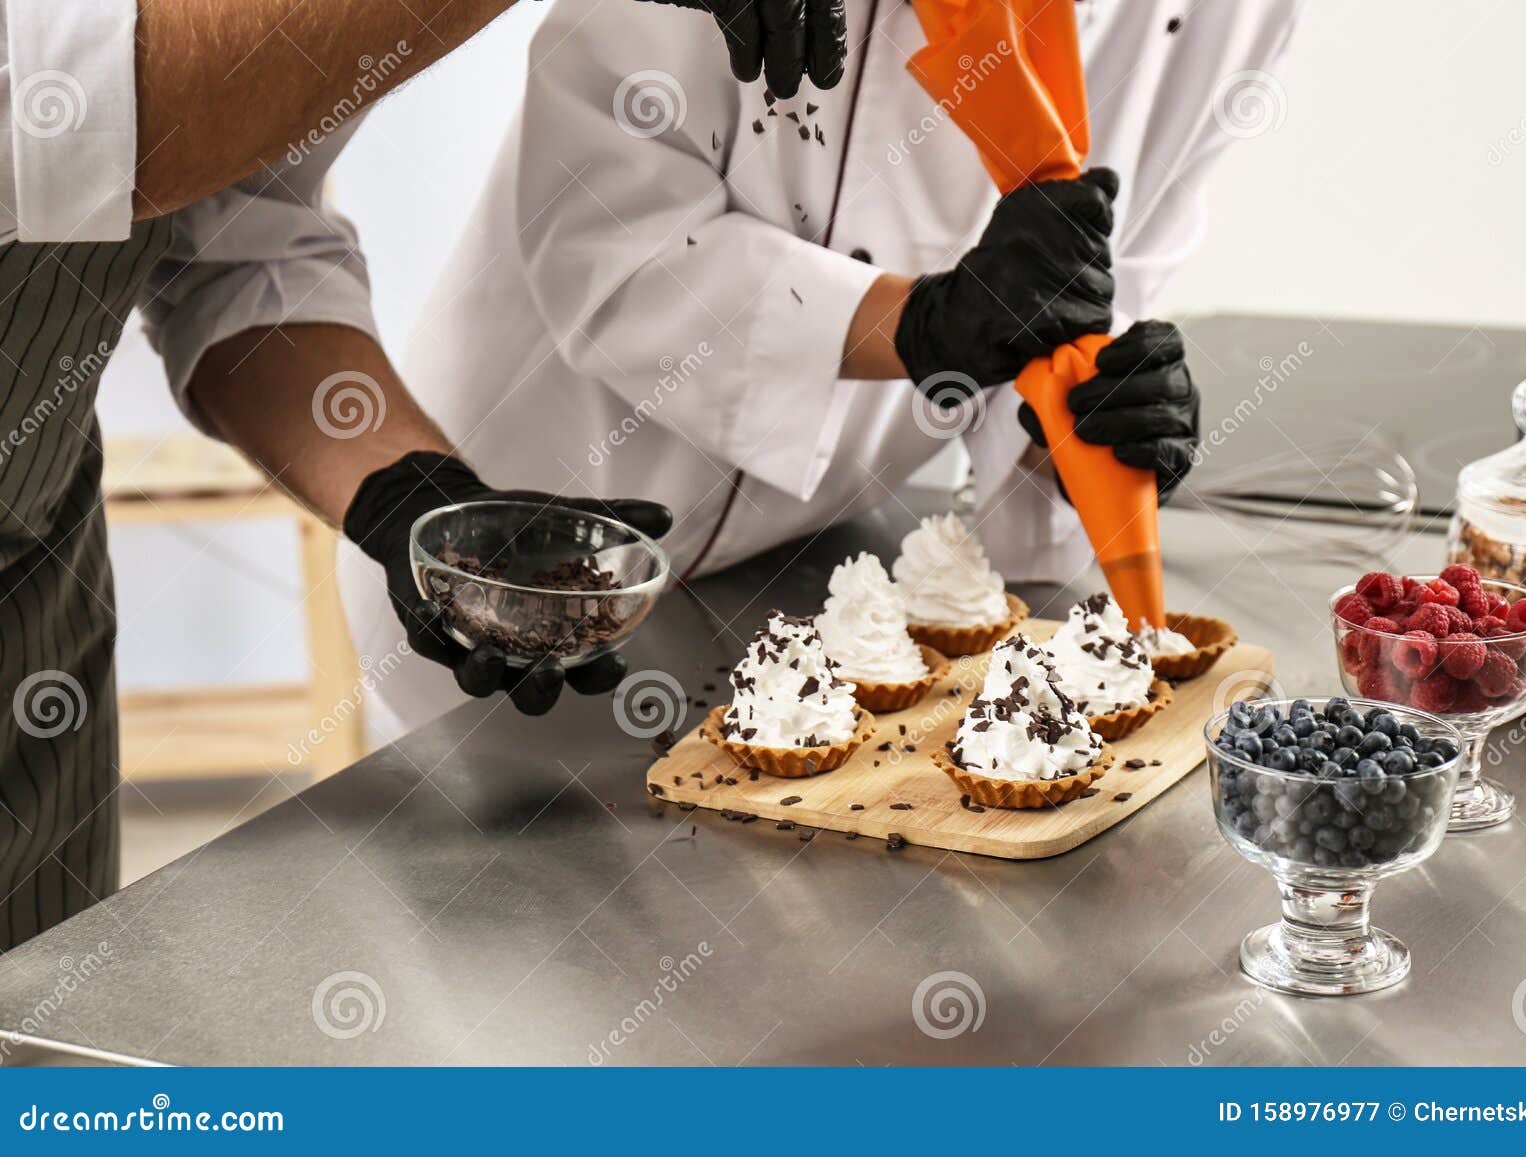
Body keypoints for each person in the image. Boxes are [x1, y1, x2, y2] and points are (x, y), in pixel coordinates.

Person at [0, 0, 846, 950]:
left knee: (32, 1039)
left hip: (33, 567)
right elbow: (76, 106)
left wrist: (406, 488)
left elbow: (232, 246)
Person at [341, 0, 1299, 741]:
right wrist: (920, 323)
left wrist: (1075, 437)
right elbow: (607, 248)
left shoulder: (1237, 14)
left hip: (811, 587)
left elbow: (1091, 282)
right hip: (517, 552)